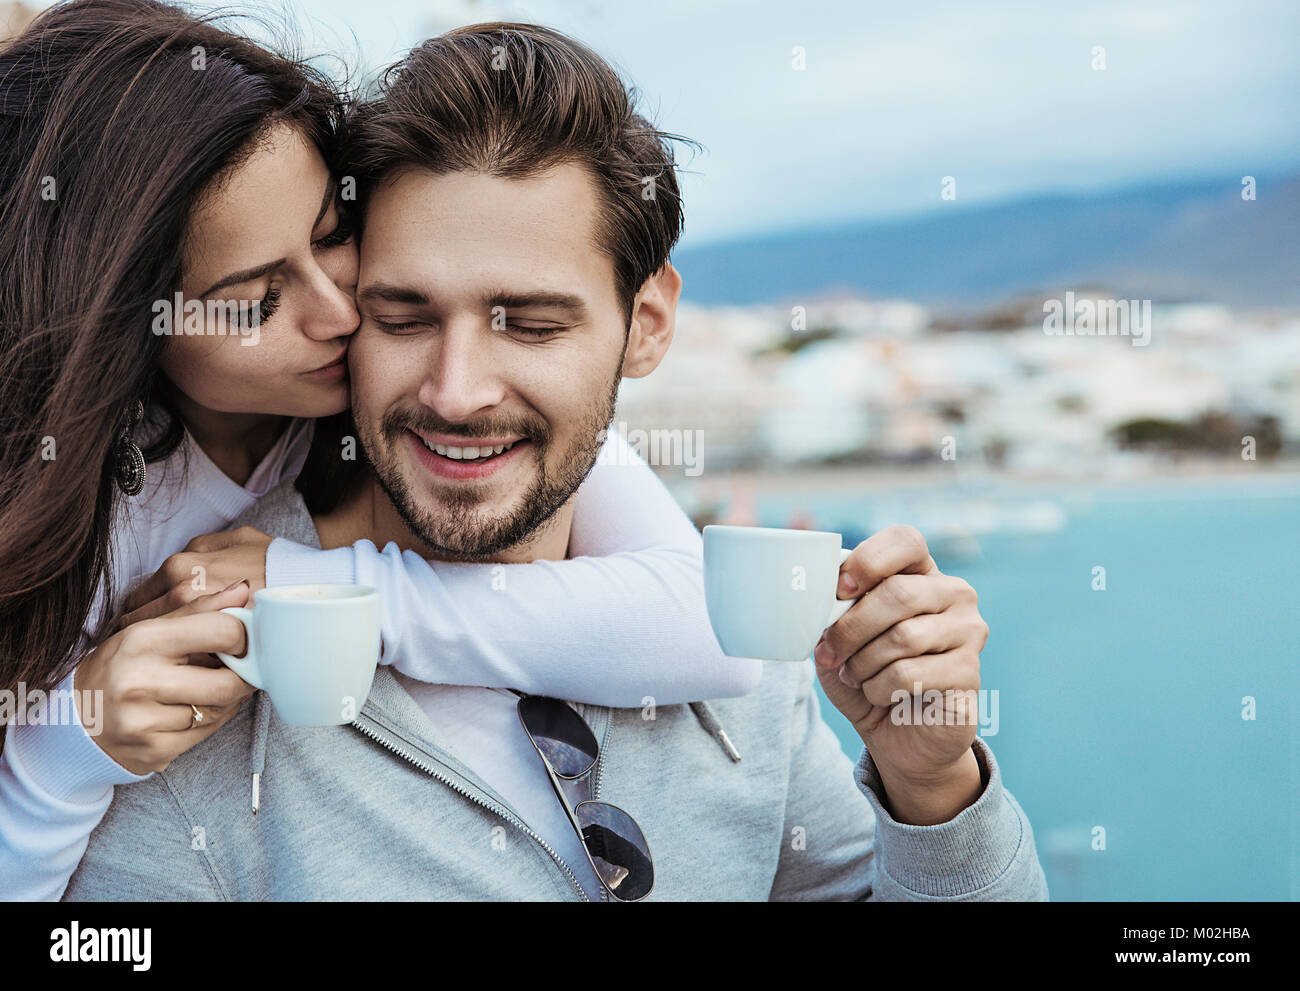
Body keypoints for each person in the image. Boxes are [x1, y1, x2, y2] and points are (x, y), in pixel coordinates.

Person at [64, 21, 1048, 901]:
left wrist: (931, 791)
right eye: (402, 317)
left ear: (647, 324)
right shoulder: (191, 673)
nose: (457, 391)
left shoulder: (740, 639)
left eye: (528, 325)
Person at [0, 0, 758, 902]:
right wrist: (60, 756)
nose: (339, 313)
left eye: (332, 236)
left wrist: (338, 588)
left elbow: (711, 626)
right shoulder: (61, 519)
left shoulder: (427, 399)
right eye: (255, 300)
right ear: (128, 331)